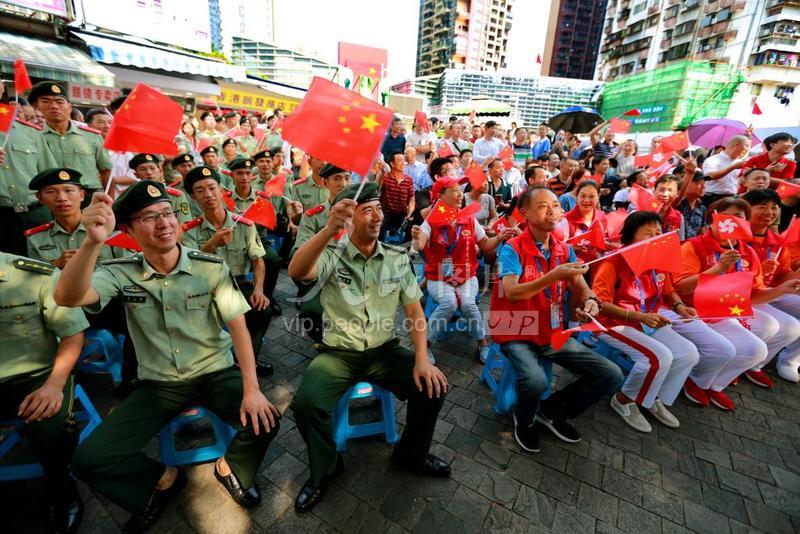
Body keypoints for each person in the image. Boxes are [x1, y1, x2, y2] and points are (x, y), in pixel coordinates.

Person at [55, 181, 281, 532]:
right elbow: (68, 297)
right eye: (148, 217)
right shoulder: (119, 272)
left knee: (266, 418)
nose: (163, 223)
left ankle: (230, 467)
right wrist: (92, 241)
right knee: (89, 460)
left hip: (214, 373)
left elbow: (238, 327)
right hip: (158, 384)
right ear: (128, 230)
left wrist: (252, 388)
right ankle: (164, 479)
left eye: (167, 213)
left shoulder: (210, 268)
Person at [288, 182, 450, 512]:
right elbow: (297, 270)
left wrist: (422, 358)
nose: (377, 216)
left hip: (383, 351)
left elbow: (414, 310)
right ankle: (327, 466)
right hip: (339, 354)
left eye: (378, 209)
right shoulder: (331, 255)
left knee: (432, 388)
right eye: (366, 210)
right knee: (306, 404)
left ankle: (411, 455)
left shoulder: (396, 258)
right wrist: (328, 230)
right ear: (349, 218)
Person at [490, 186, 623, 452]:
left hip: (551, 330)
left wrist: (589, 301)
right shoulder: (512, 249)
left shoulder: (563, 249)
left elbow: (580, 284)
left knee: (610, 374)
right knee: (537, 381)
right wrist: (553, 276)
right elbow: (513, 292)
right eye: (542, 205)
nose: (552, 210)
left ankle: (551, 412)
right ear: (524, 213)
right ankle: (524, 419)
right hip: (515, 329)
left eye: (555, 205)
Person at [673, 197, 800, 403]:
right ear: (712, 220)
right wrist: (718, 269)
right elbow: (679, 287)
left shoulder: (747, 252)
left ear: (746, 222)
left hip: (723, 311)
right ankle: (697, 379)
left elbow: (754, 295)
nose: (732, 221)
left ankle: (715, 384)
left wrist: (781, 289)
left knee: (756, 350)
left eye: (739, 217)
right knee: (726, 349)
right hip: (691, 311)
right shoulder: (693, 247)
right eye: (726, 216)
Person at [0, 250, 88, 533]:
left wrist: (54, 384)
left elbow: (73, 334)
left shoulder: (30, 273)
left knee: (52, 429)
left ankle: (61, 490)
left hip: (36, 376)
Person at [593, 212, 700, 433]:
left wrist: (680, 307)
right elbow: (600, 305)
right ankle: (624, 400)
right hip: (611, 322)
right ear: (631, 236)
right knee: (658, 357)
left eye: (658, 232)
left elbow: (669, 292)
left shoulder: (658, 261)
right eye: (648, 233)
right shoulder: (613, 263)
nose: (655, 237)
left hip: (646, 319)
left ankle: (652, 397)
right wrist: (640, 317)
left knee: (689, 353)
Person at [181, 164, 275, 375]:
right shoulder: (189, 230)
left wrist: (259, 289)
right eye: (200, 190)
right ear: (193, 197)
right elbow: (188, 267)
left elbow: (258, 261)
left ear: (221, 190)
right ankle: (217, 362)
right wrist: (211, 244)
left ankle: (246, 361)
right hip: (204, 287)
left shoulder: (243, 224)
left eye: (212, 188)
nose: (208, 194)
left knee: (262, 310)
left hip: (239, 283)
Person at [412, 176, 515, 362]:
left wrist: (499, 237)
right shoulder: (431, 222)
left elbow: (486, 245)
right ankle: (424, 345)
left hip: (467, 276)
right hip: (438, 278)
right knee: (449, 303)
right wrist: (415, 237)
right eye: (454, 190)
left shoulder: (468, 219)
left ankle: (482, 342)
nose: (460, 194)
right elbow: (419, 245)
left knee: (467, 303)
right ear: (440, 195)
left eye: (460, 190)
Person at [742, 188, 800, 382]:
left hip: (768, 292)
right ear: (747, 209)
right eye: (762, 207)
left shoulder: (777, 241)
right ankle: (743, 359)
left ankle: (761, 364)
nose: (769, 212)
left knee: (792, 325)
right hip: (742, 293)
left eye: (774, 207)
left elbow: (782, 275)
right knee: (780, 326)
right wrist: (759, 272)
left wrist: (795, 275)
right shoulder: (736, 239)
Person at [0, 88, 58, 255]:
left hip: (36, 215)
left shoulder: (29, 131)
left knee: (45, 271)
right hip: (2, 217)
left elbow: (50, 176)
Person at [30, 82, 111, 198]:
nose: (54, 106)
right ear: (36, 107)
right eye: (46, 101)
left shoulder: (91, 135)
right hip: (53, 197)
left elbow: (105, 170)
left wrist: (109, 199)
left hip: (89, 195)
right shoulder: (33, 136)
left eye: (60, 102)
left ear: (69, 108)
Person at [128, 153, 194, 225]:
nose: (149, 172)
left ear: (159, 170)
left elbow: (184, 224)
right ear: (136, 174)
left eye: (152, 168)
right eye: (143, 169)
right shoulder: (132, 197)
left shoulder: (176, 196)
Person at [565, 181, 608, 263]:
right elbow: (557, 247)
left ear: (598, 196)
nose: (586, 200)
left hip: (597, 264)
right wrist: (573, 247)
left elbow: (601, 241)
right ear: (577, 196)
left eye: (592, 196)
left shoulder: (601, 216)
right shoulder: (566, 219)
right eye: (583, 196)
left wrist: (609, 245)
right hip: (575, 267)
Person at [377, 151, 415, 241]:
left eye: (404, 161)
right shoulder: (385, 177)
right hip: (386, 213)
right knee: (378, 227)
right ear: (392, 164)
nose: (403, 163)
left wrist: (409, 212)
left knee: (413, 228)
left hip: (402, 214)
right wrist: (382, 172)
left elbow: (412, 198)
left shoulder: (408, 180)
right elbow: (377, 186)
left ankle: (404, 250)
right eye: (400, 161)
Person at [701, 135, 750, 205]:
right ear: (736, 145)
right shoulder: (713, 160)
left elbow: (738, 182)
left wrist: (746, 176)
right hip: (713, 198)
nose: (747, 149)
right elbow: (709, 176)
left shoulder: (740, 162)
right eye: (746, 146)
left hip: (732, 198)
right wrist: (732, 167)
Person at [653, 175, 685, 240]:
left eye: (670, 190)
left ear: (678, 194)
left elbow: (680, 241)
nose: (665, 194)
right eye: (661, 190)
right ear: (654, 191)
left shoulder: (678, 217)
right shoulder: (641, 212)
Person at [676, 173, 707, 239]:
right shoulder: (676, 204)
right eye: (699, 183)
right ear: (687, 184)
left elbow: (702, 232)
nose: (704, 187)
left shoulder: (702, 208)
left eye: (704, 183)